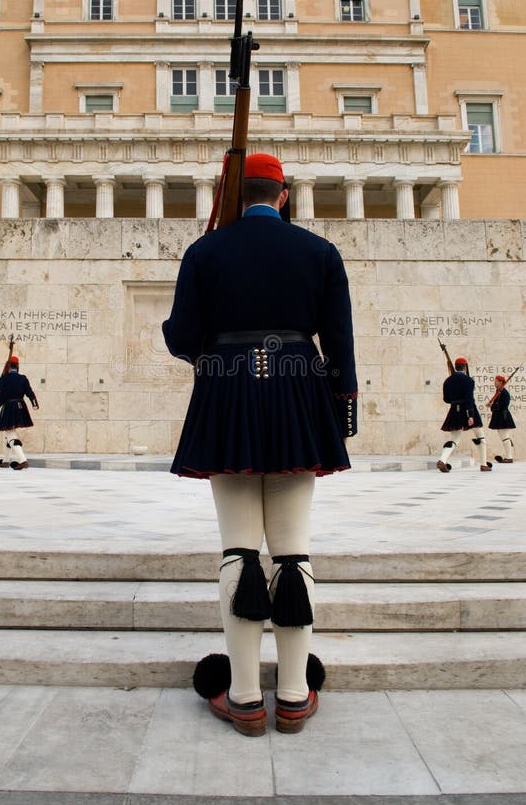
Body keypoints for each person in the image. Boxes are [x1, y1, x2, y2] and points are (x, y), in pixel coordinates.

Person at [163, 153, 357, 736]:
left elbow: (180, 337)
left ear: (232, 196)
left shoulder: (207, 250)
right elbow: (340, 340)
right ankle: (295, 694)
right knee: (293, 551)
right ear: (284, 195)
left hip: (229, 391)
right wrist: (339, 404)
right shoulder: (319, 251)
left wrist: (205, 260)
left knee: (238, 550)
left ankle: (245, 697)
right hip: (299, 387)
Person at [436, 356, 492, 473]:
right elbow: (469, 398)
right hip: (467, 410)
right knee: (480, 437)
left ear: (455, 367)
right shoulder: (468, 380)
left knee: (454, 439)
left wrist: (455, 399)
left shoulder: (448, 380)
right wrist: (470, 415)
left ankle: (442, 460)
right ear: (465, 367)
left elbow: (446, 399)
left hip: (454, 411)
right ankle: (483, 464)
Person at [0, 355, 39, 470]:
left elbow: (1, 396)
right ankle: (5, 460)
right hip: (20, 406)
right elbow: (29, 392)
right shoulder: (22, 378)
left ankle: (22, 459)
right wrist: (34, 403)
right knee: (8, 434)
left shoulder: (3, 379)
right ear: (17, 366)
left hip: (9, 407)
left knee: (10, 433)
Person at [488, 374, 516, 463]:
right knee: (504, 437)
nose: (494, 383)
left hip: (503, 417)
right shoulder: (499, 392)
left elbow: (503, 405)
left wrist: (493, 405)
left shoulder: (504, 393)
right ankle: (508, 456)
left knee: (505, 437)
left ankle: (509, 457)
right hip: (499, 416)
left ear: (500, 382)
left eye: (496, 381)